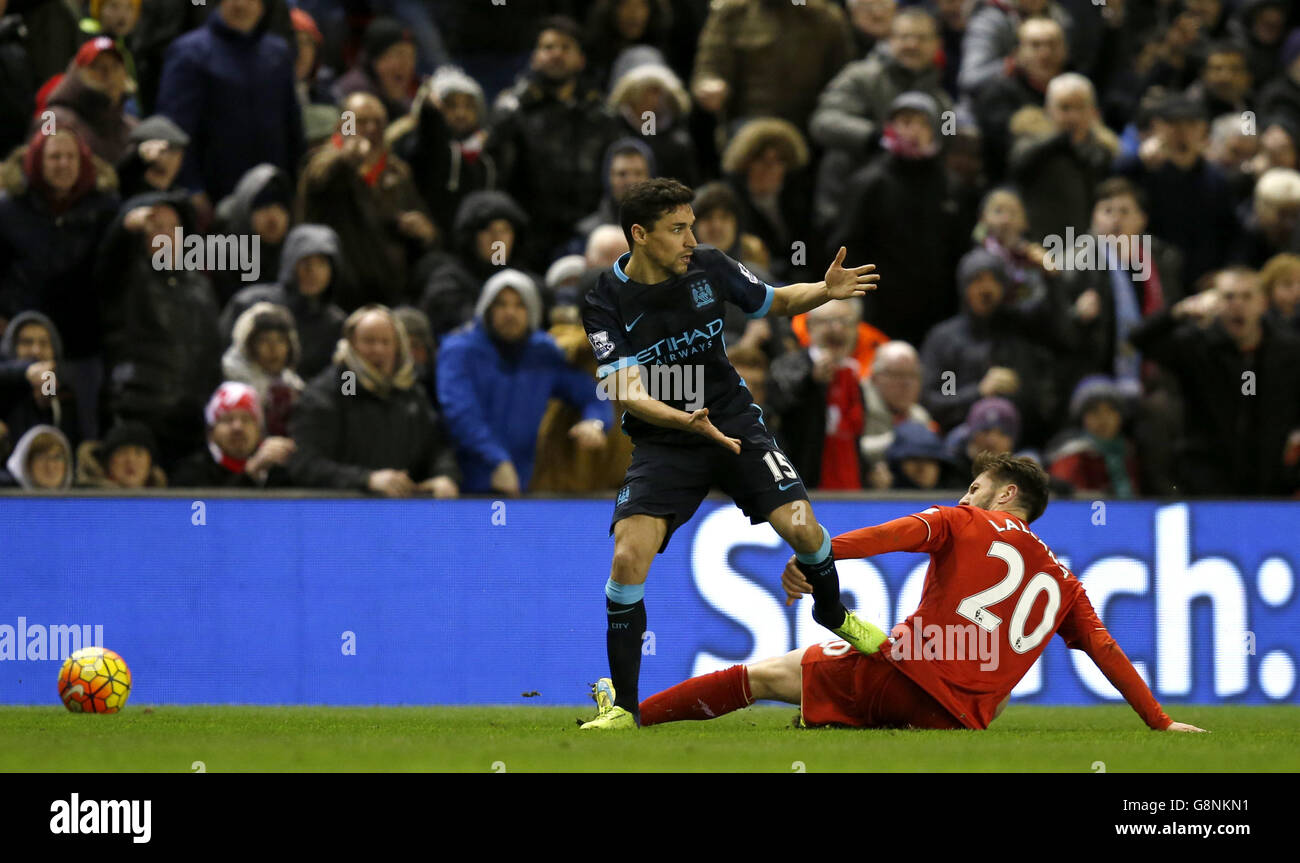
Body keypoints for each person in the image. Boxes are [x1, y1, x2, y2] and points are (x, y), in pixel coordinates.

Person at [578, 178, 887, 730]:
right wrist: (687, 422)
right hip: (666, 441)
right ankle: (623, 708)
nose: (691, 238)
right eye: (678, 230)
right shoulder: (604, 297)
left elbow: (777, 302)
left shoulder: (711, 266)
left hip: (736, 424)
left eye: (692, 225)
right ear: (639, 235)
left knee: (804, 529)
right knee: (627, 558)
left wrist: (826, 289)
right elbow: (627, 393)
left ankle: (832, 610)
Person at [633, 453, 1207, 734]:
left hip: (904, 677)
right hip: (959, 721)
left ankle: (634, 720)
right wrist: (1158, 721)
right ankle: (840, 721)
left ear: (1006, 493)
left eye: (975, 487)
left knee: (768, 676)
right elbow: (1107, 651)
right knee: (997, 685)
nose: (965, 495)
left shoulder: (962, 522)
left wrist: (818, 554)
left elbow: (890, 536)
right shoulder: (1064, 582)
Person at [436, 269, 610, 495]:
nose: (511, 313)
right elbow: (461, 414)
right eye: (501, 304)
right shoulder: (458, 351)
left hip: (522, 485)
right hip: (461, 484)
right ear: (486, 309)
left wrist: (595, 422)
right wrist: (497, 461)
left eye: (520, 305)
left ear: (533, 311)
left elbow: (593, 392)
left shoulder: (542, 352)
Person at [169, 381, 295, 487]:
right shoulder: (192, 473)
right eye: (227, 419)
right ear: (211, 432)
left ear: (259, 431)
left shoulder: (276, 470)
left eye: (246, 419)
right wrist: (251, 473)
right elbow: (216, 514)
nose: (237, 427)